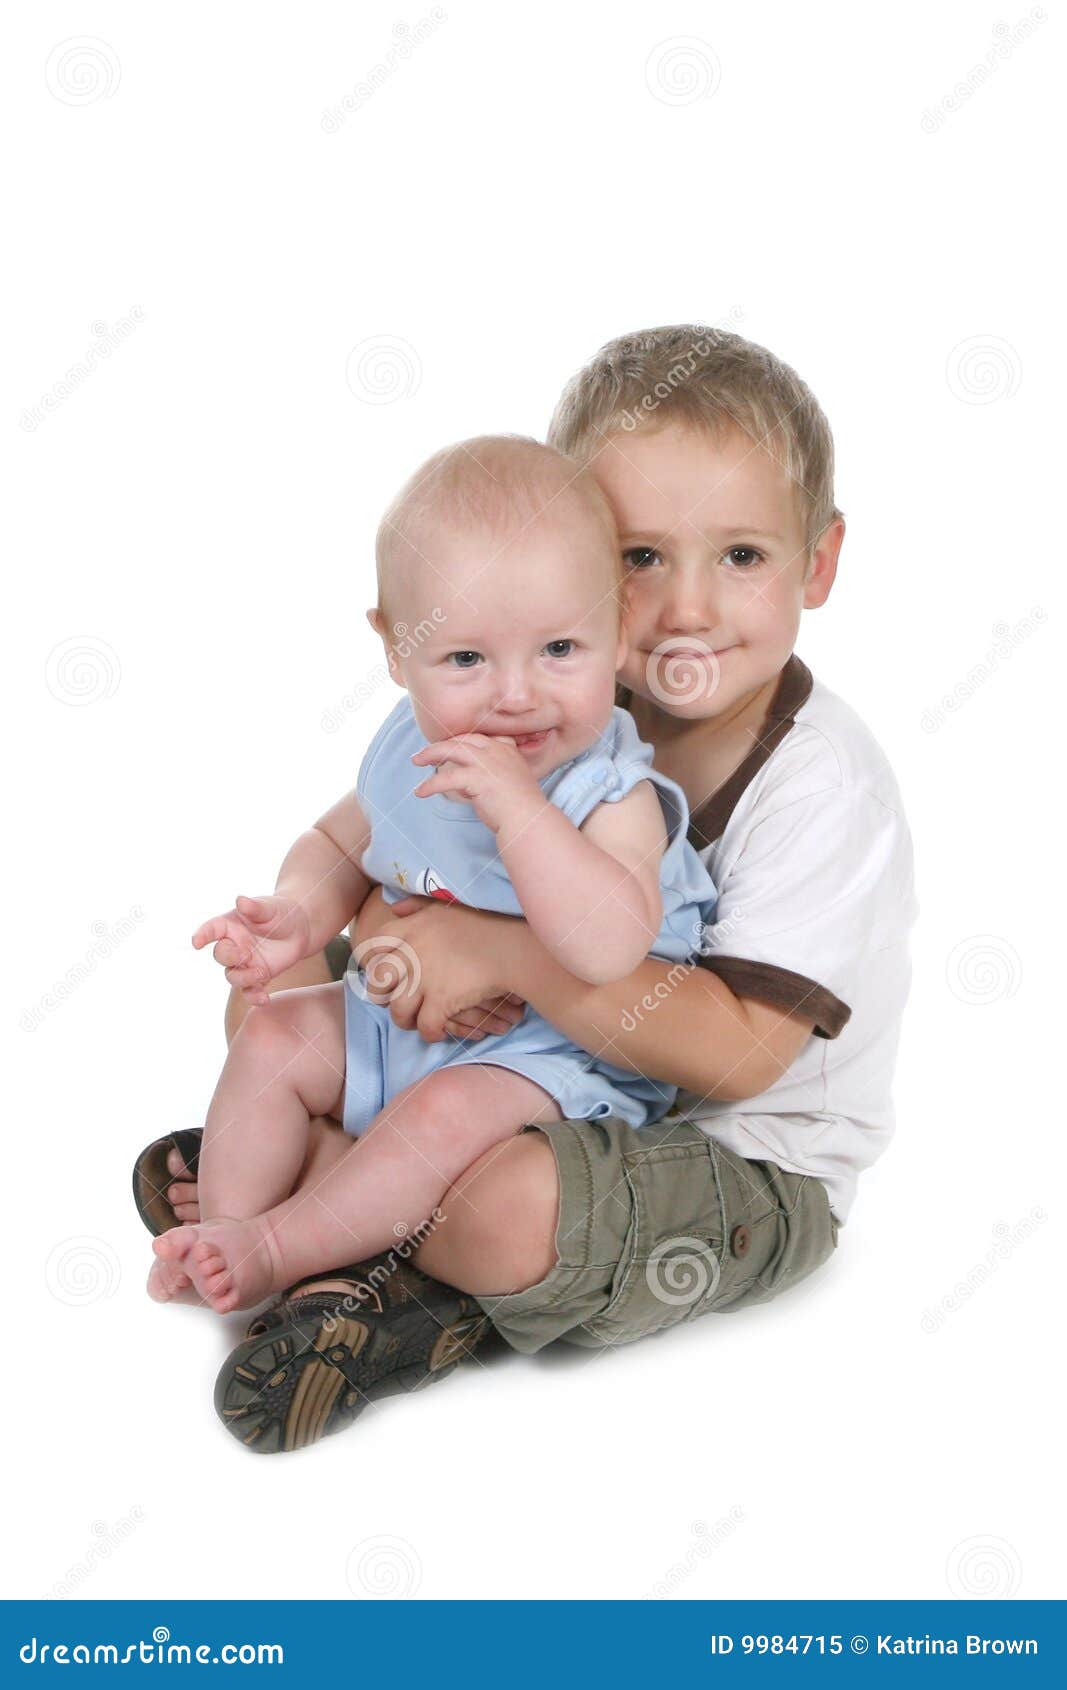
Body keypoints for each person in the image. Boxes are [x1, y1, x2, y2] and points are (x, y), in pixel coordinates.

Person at [145, 323, 917, 1454]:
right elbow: (376, 848)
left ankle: (317, 1229)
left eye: (741, 556)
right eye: (641, 560)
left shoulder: (817, 787)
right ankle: (338, 1240)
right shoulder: (549, 695)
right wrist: (320, 927)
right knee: (269, 1010)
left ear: (817, 562)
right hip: (499, 1061)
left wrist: (491, 958)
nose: (687, 608)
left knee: (510, 1208)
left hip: (732, 1156)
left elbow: (742, 1055)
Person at [149, 435, 716, 1315]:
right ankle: (228, 1233)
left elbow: (608, 945)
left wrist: (518, 812)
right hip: (408, 1020)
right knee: (269, 1039)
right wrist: (297, 919)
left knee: (443, 1116)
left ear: (619, 624)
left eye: (560, 648)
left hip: (558, 1060)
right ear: (394, 650)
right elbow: (340, 841)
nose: (516, 694)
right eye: (464, 660)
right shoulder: (408, 745)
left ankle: (277, 1247)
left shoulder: (610, 790)